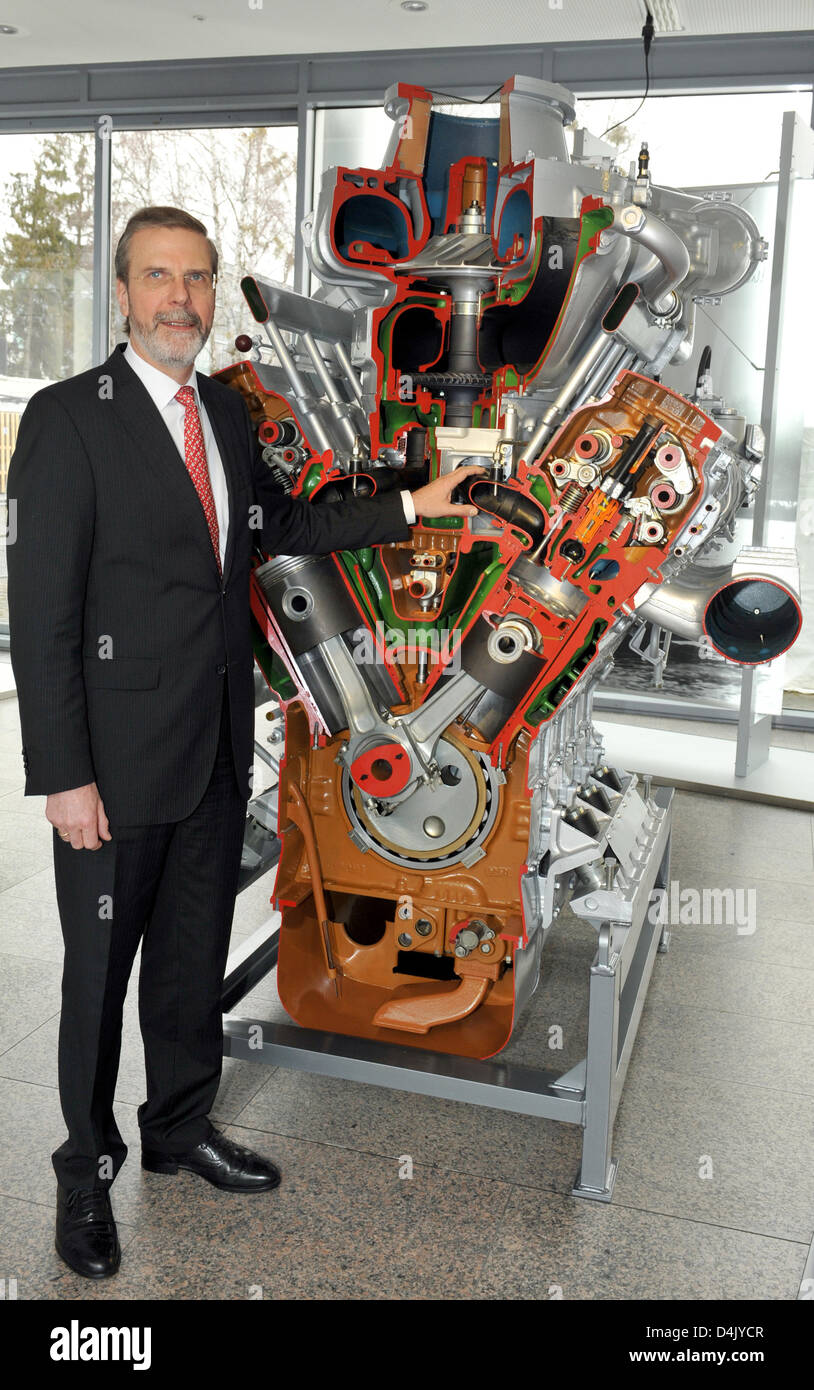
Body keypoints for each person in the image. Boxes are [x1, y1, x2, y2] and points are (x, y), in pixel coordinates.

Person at [6, 205, 484, 1280]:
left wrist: (414, 504)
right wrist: (65, 776)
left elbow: (281, 528)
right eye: (158, 276)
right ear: (122, 292)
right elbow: (39, 620)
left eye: (198, 277)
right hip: (115, 771)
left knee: (186, 965)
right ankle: (84, 1170)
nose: (180, 296)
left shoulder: (222, 414)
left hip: (218, 749)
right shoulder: (68, 419)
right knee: (97, 977)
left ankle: (179, 1130)